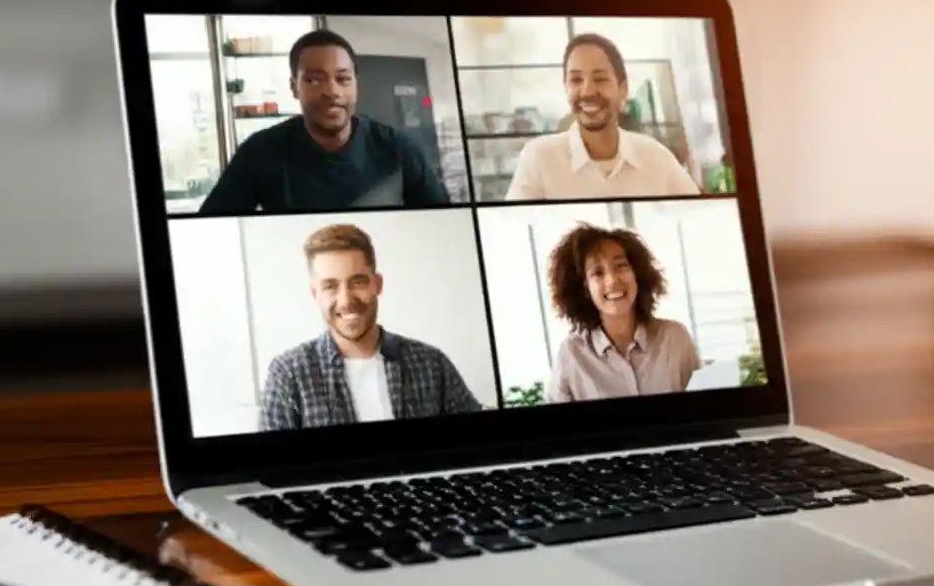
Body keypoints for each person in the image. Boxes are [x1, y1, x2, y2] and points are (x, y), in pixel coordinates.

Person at [198, 30, 450, 214]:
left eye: (343, 79)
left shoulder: (397, 148)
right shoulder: (260, 151)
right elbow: (214, 225)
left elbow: (443, 223)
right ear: (294, 87)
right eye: (314, 80)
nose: (332, 92)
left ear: (356, 84)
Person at [260, 224, 483, 430]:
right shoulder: (288, 374)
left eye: (358, 282)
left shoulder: (433, 364)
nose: (346, 300)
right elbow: (273, 466)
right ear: (315, 294)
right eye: (330, 286)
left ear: (378, 284)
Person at [504, 33, 702, 201]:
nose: (587, 90)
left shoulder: (656, 156)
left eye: (600, 79)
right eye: (576, 80)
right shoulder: (539, 157)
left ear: (623, 90)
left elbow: (697, 211)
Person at [544, 223, 702, 403]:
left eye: (620, 266)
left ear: (637, 274)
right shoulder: (571, 356)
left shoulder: (675, 338)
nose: (612, 280)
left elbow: (703, 415)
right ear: (585, 289)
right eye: (597, 273)